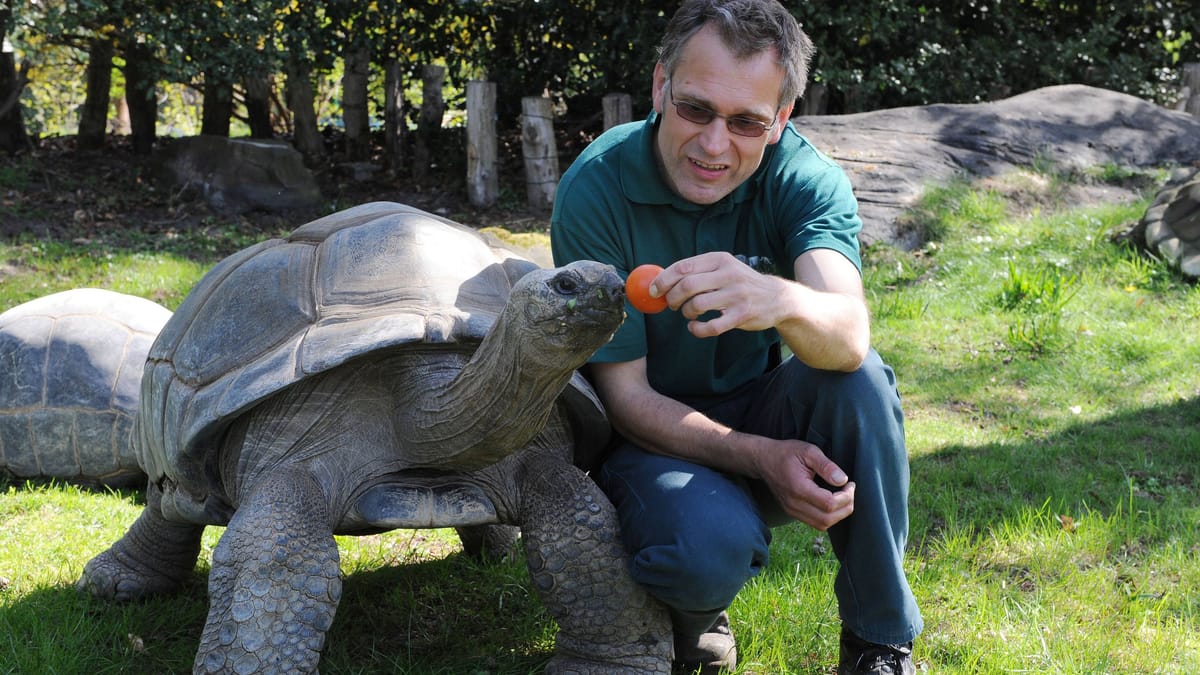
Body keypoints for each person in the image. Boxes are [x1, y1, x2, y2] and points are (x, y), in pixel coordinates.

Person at [549, 1, 923, 673]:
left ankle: (879, 643)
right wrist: (762, 457)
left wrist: (779, 299)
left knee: (859, 380)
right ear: (661, 87)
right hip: (645, 442)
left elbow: (848, 332)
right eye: (696, 109)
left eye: (747, 121)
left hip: (761, 402)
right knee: (703, 549)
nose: (715, 144)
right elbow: (626, 399)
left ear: (779, 121)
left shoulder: (804, 178)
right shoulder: (596, 190)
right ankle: (693, 613)